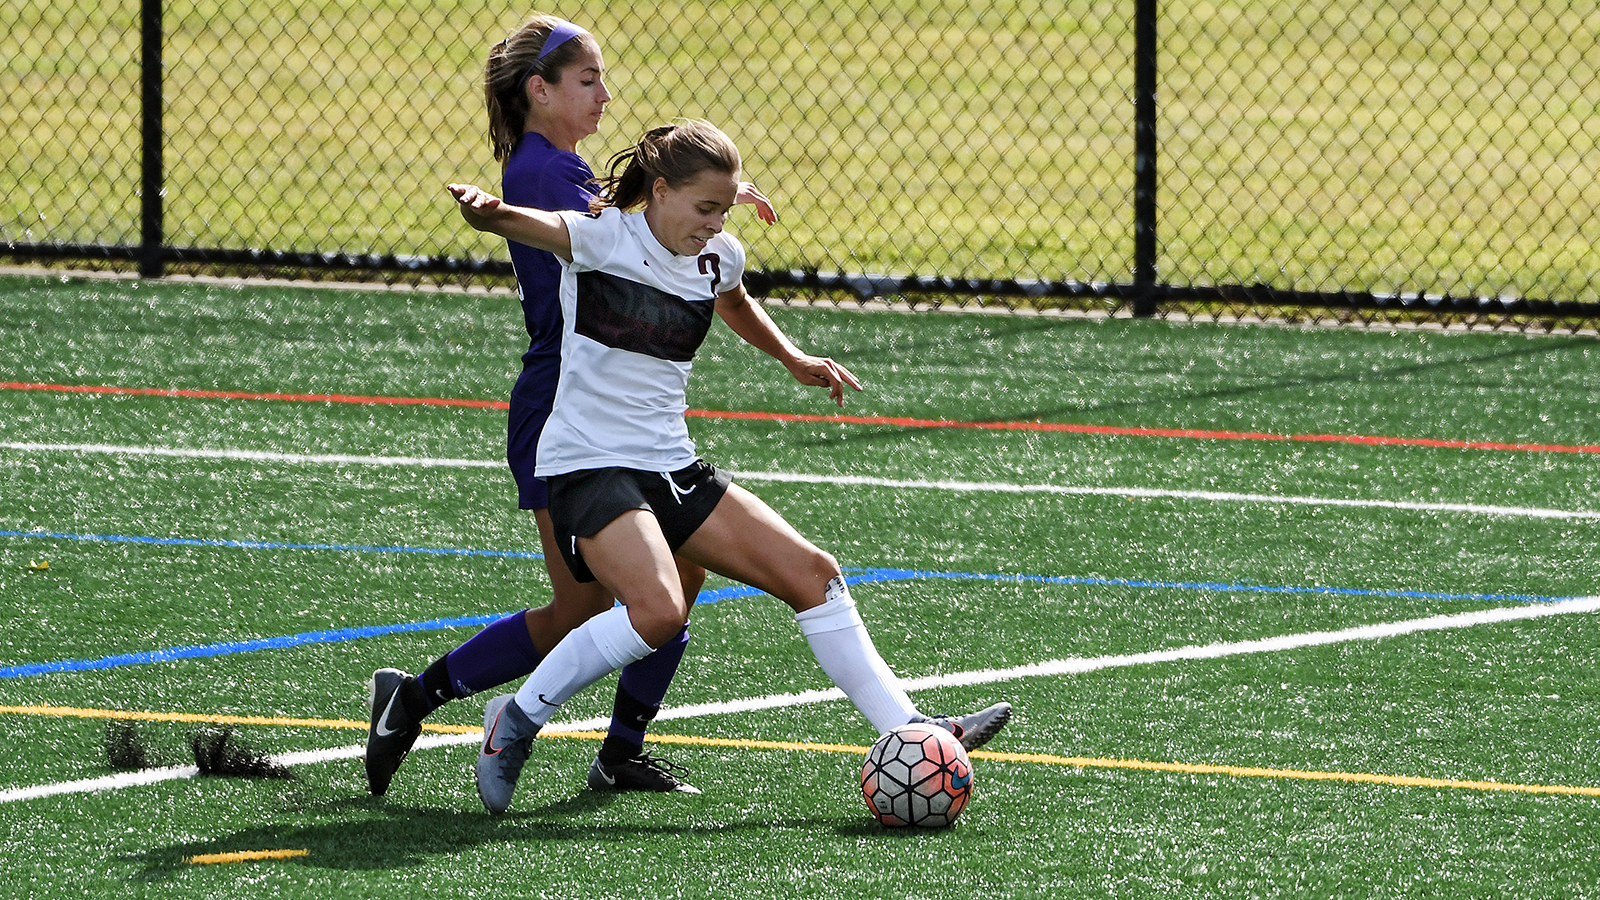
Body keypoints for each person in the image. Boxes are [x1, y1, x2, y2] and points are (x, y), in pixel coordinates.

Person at [447, 118, 1012, 814]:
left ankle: (911, 729)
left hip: (668, 462)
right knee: (658, 610)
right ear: (659, 191)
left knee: (815, 575)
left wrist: (792, 358)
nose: (716, 225)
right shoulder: (602, 238)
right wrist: (488, 211)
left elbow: (734, 300)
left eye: (725, 209)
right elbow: (526, 225)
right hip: (588, 463)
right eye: (705, 208)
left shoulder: (718, 256)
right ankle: (516, 720)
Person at [364, 14, 775, 799]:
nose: (605, 96)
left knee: (672, 578)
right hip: (567, 409)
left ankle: (619, 752)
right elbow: (628, 235)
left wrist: (705, 199)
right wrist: (699, 199)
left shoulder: (562, 166)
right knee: (583, 607)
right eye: (588, 81)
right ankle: (412, 701)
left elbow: (642, 226)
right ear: (539, 90)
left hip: (605, 407)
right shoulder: (545, 172)